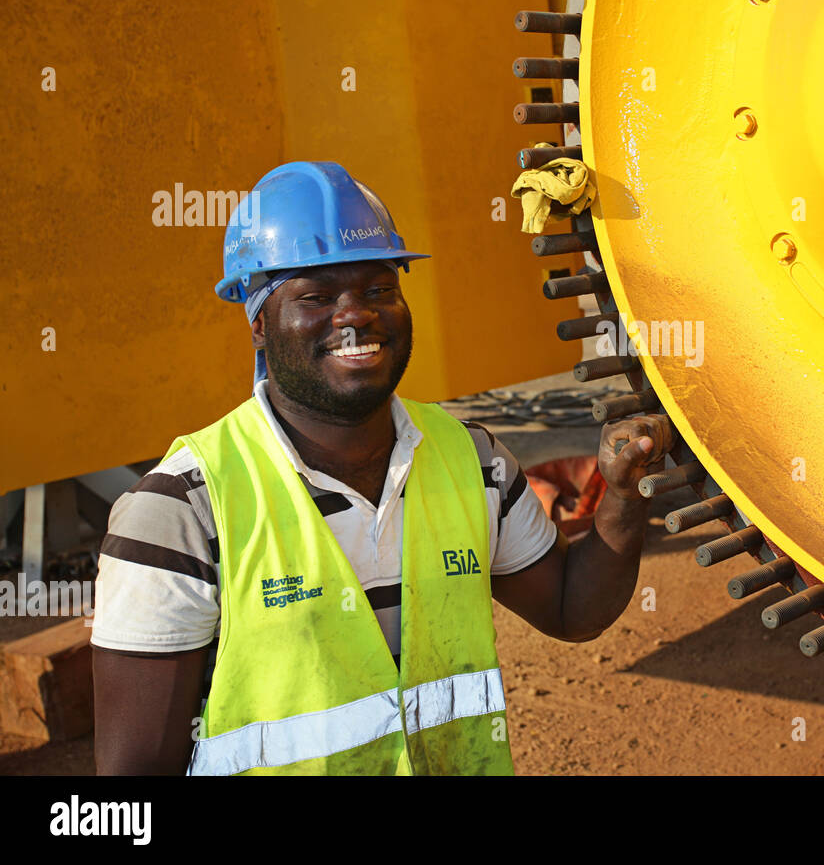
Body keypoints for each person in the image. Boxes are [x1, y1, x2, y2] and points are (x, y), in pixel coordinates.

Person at [90, 161, 668, 775]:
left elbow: (570, 611)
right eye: (315, 296)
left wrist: (623, 495)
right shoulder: (181, 508)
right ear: (258, 322)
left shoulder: (471, 459)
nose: (355, 314)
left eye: (378, 289)